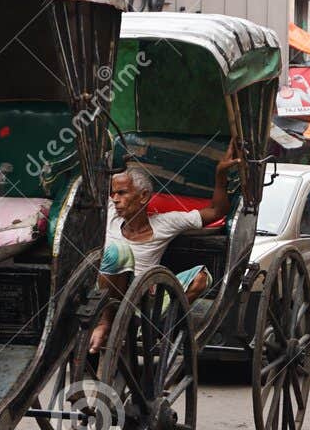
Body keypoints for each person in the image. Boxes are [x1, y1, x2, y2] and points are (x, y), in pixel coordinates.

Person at [90, 148, 238, 353]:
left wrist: (220, 174)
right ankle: (106, 322)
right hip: (109, 293)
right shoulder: (110, 215)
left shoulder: (164, 223)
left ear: (143, 197)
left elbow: (216, 211)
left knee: (202, 276)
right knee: (116, 252)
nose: (115, 199)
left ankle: (160, 326)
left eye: (122, 193)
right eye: (113, 194)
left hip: (144, 296)